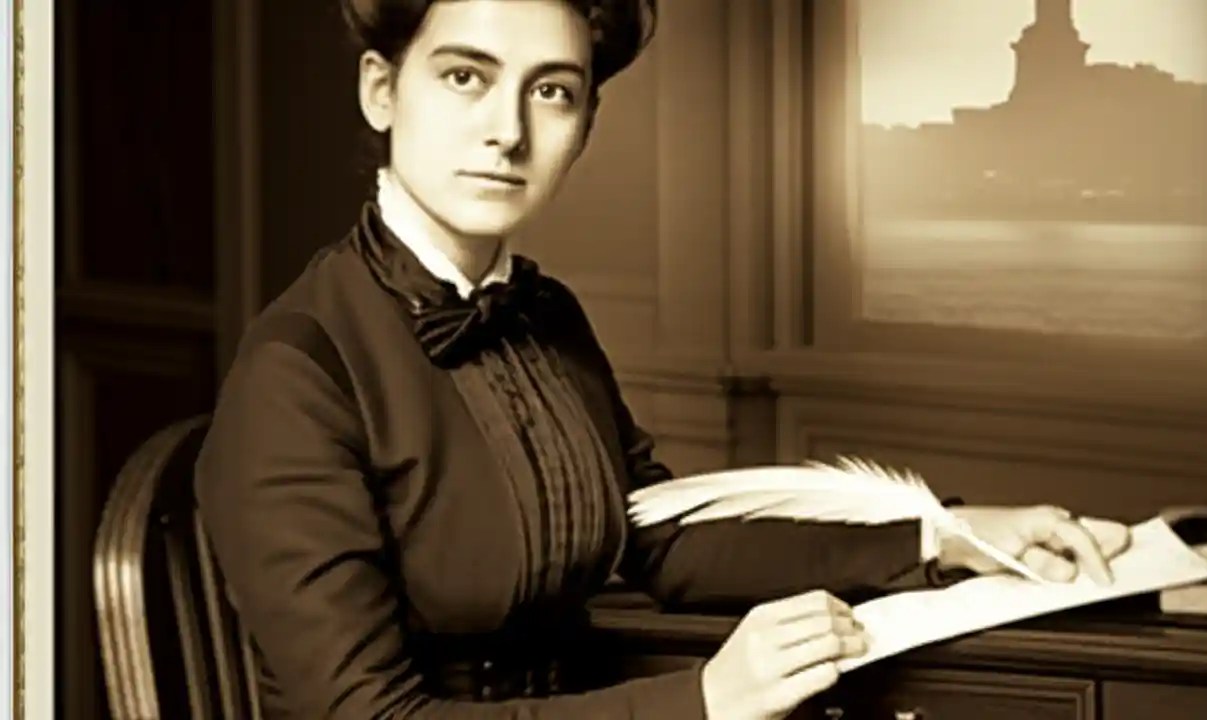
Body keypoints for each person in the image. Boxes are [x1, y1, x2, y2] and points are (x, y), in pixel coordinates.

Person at [193, 1, 1128, 718]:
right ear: (380, 91)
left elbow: (658, 536)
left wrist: (947, 538)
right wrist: (707, 702)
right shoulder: (296, 373)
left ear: (585, 124)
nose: (509, 131)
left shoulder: (543, 312)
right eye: (465, 77)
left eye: (550, 90)